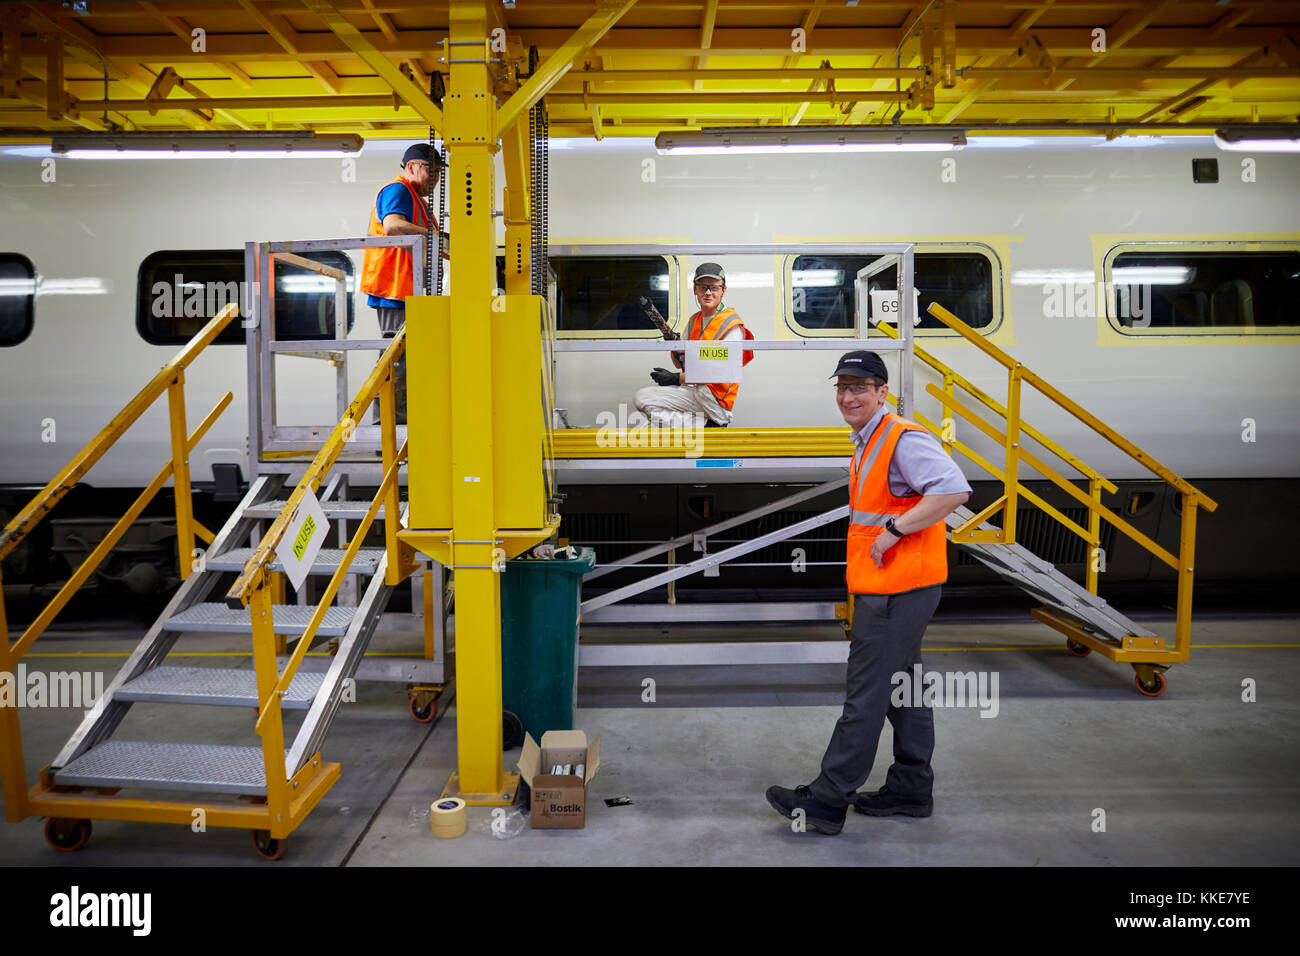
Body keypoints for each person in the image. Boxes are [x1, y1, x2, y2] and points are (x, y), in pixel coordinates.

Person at [766, 350, 972, 835]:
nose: (848, 396)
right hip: (901, 584)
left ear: (883, 392)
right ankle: (911, 788)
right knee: (907, 691)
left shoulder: (901, 437)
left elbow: (953, 490)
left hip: (897, 590)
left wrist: (895, 531)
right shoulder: (869, 439)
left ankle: (827, 799)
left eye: (860, 387)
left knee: (867, 696)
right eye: (842, 387)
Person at [360, 143, 442, 423]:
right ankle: (385, 424)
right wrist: (443, 241)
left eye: (440, 173)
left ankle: (401, 420)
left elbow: (441, 245)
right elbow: (394, 226)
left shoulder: (420, 203)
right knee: (397, 358)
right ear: (411, 167)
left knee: (408, 358)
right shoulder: (399, 190)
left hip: (411, 291)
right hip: (396, 288)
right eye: (432, 171)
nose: (437, 179)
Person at [634, 262, 750, 429]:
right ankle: (706, 426)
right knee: (642, 398)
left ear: (723, 291)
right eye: (703, 287)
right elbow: (680, 363)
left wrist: (675, 378)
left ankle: (716, 422)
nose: (708, 292)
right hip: (695, 391)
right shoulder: (694, 321)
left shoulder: (731, 325)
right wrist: (674, 346)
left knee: (654, 425)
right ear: (695, 290)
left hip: (715, 401)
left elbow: (719, 371)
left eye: (714, 288)